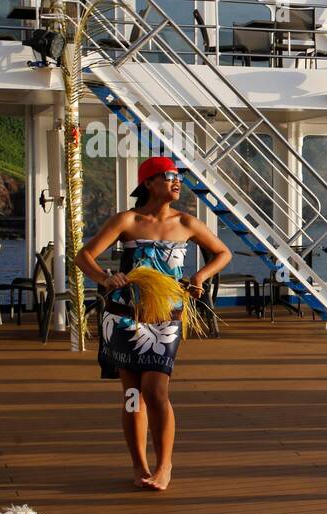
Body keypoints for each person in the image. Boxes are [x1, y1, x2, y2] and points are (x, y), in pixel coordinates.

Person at [77, 156, 232, 491]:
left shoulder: (187, 223)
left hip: (167, 315)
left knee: (156, 390)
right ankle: (139, 465)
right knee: (133, 394)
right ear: (147, 182)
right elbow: (83, 256)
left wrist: (200, 276)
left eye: (178, 177)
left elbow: (222, 253)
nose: (176, 182)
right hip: (124, 315)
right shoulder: (128, 220)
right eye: (167, 176)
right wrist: (106, 278)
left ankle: (165, 465)